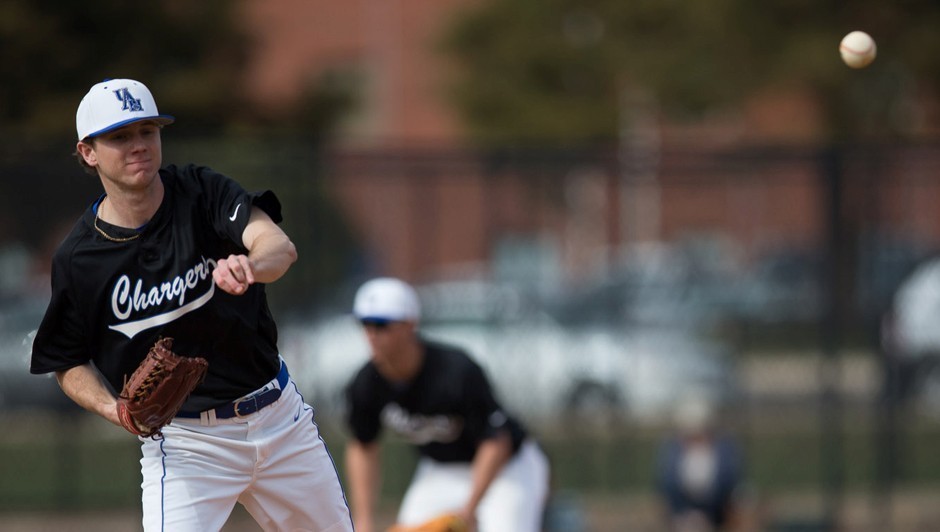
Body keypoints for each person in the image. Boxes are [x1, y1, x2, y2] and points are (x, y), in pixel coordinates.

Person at [29, 78, 353, 532]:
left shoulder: (201, 193)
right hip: (186, 444)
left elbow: (278, 246)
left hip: (279, 421)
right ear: (88, 152)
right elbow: (65, 359)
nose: (138, 145)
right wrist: (113, 409)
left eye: (148, 131)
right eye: (120, 136)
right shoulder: (80, 259)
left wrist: (252, 265)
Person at [343, 277, 550, 532]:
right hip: (440, 471)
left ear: (410, 324)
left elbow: (496, 441)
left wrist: (468, 510)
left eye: (381, 324)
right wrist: (363, 522)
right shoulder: (366, 384)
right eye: (364, 323)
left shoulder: (455, 371)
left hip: (506, 469)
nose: (372, 333)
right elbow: (363, 447)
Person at [656, 396, 745, 532]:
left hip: (717, 514)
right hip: (682, 515)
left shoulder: (724, 449)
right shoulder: (672, 451)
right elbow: (667, 485)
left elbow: (731, 483)